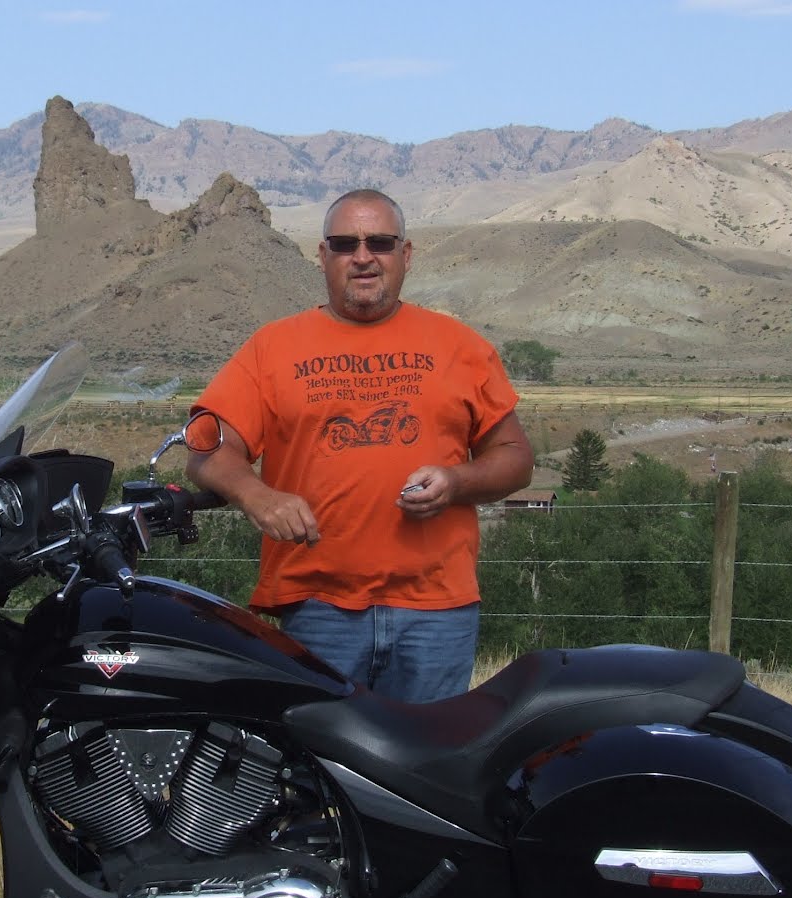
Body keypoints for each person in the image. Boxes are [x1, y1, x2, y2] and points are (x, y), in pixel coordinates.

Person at [186, 188, 534, 704]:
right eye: (346, 243)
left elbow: (516, 458)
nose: (364, 256)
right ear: (324, 255)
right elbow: (207, 450)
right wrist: (259, 498)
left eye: (381, 243)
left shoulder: (458, 345)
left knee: (425, 767)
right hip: (315, 609)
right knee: (313, 768)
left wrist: (456, 481)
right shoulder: (273, 347)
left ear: (406, 255)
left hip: (436, 611)